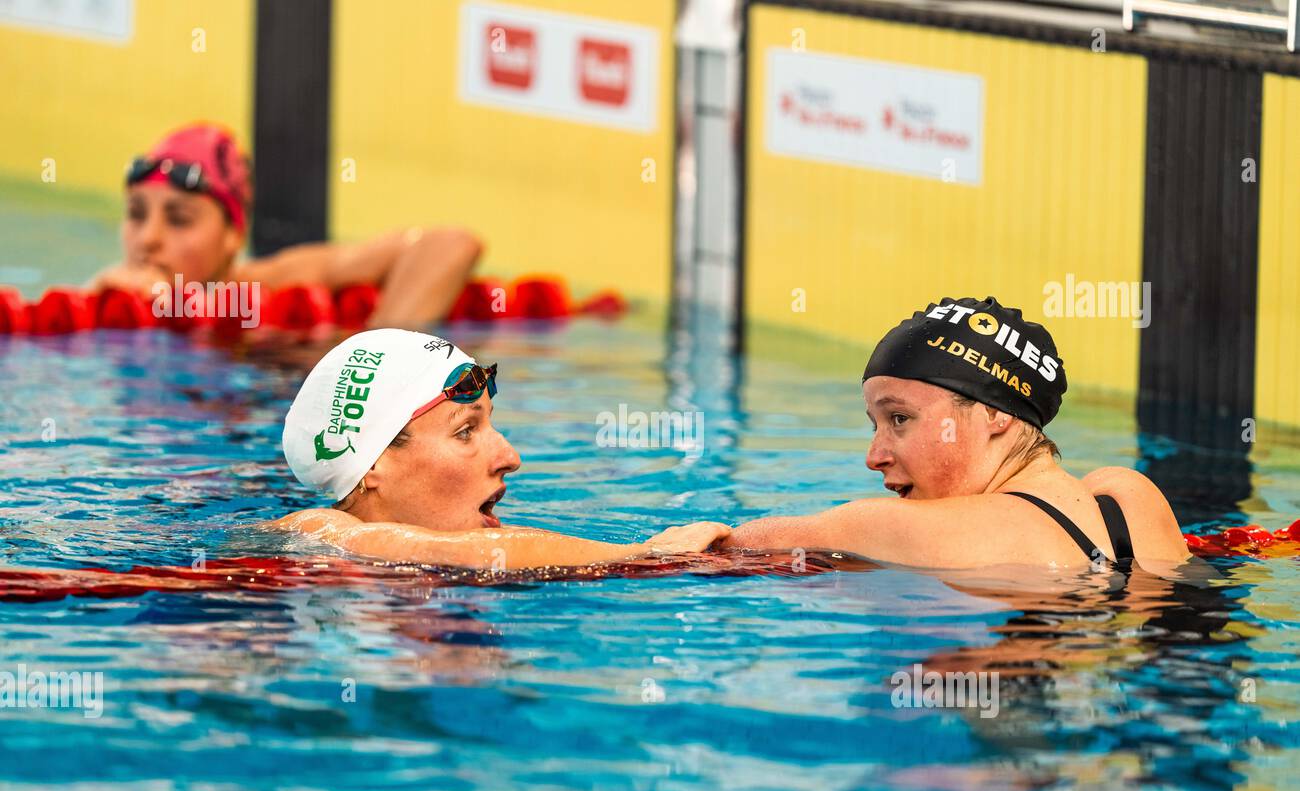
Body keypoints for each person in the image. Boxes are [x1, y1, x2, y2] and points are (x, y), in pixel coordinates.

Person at [722, 296, 1191, 573]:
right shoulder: (1129, 501)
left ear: (994, 415)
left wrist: (694, 540)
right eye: (875, 425)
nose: (874, 456)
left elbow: (697, 558)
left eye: (899, 419)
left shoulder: (894, 528)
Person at [271, 328, 730, 568]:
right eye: (465, 431)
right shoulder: (317, 533)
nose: (511, 458)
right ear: (373, 464)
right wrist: (642, 553)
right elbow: (458, 554)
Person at [88, 122, 481, 328]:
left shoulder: (268, 285)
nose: (148, 238)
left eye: (179, 220)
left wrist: (373, 369)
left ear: (234, 235)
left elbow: (450, 245)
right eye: (137, 214)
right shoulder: (110, 296)